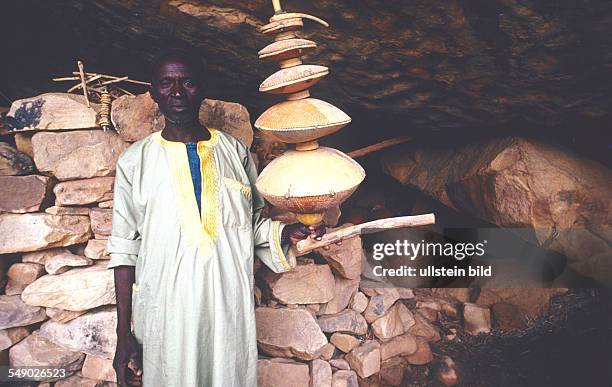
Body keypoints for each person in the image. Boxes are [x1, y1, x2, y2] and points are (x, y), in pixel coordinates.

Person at [104, 49, 325, 387]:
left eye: (187, 82)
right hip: (166, 315)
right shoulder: (135, 162)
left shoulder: (234, 152)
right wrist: (124, 337)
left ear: (203, 88)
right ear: (153, 93)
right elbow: (123, 250)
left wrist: (287, 232)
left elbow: (248, 226)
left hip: (227, 309)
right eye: (166, 84)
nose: (177, 93)